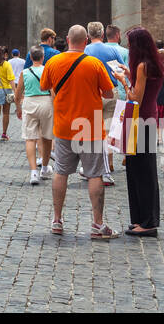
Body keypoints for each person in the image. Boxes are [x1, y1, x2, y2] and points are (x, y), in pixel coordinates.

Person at [43, 25, 116, 240]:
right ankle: (97, 224)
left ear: (67, 39)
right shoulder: (94, 64)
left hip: (64, 125)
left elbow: (46, 85)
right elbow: (109, 93)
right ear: (86, 41)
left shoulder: (53, 62)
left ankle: (57, 220)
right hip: (91, 126)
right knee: (95, 174)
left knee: (61, 172)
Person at [122, 27, 164, 238]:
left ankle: (147, 222)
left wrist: (123, 81)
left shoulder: (141, 66)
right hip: (149, 118)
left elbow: (134, 98)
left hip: (138, 121)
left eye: (129, 43)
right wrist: (130, 75)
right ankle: (140, 219)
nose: (128, 47)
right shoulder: (152, 65)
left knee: (140, 171)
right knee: (141, 169)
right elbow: (146, 90)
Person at [85, 21, 127, 186]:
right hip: (111, 92)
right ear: (102, 35)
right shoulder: (112, 49)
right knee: (109, 132)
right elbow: (120, 71)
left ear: (88, 36)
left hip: (91, 94)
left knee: (92, 132)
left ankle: (92, 168)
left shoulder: (85, 50)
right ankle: (107, 168)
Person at [14, 46, 53, 185]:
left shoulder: (25, 72)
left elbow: (18, 95)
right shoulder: (47, 71)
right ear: (43, 57)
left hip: (29, 102)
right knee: (47, 137)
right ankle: (44, 167)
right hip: (46, 102)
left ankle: (33, 172)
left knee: (30, 139)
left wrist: (18, 108)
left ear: (30, 58)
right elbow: (52, 90)